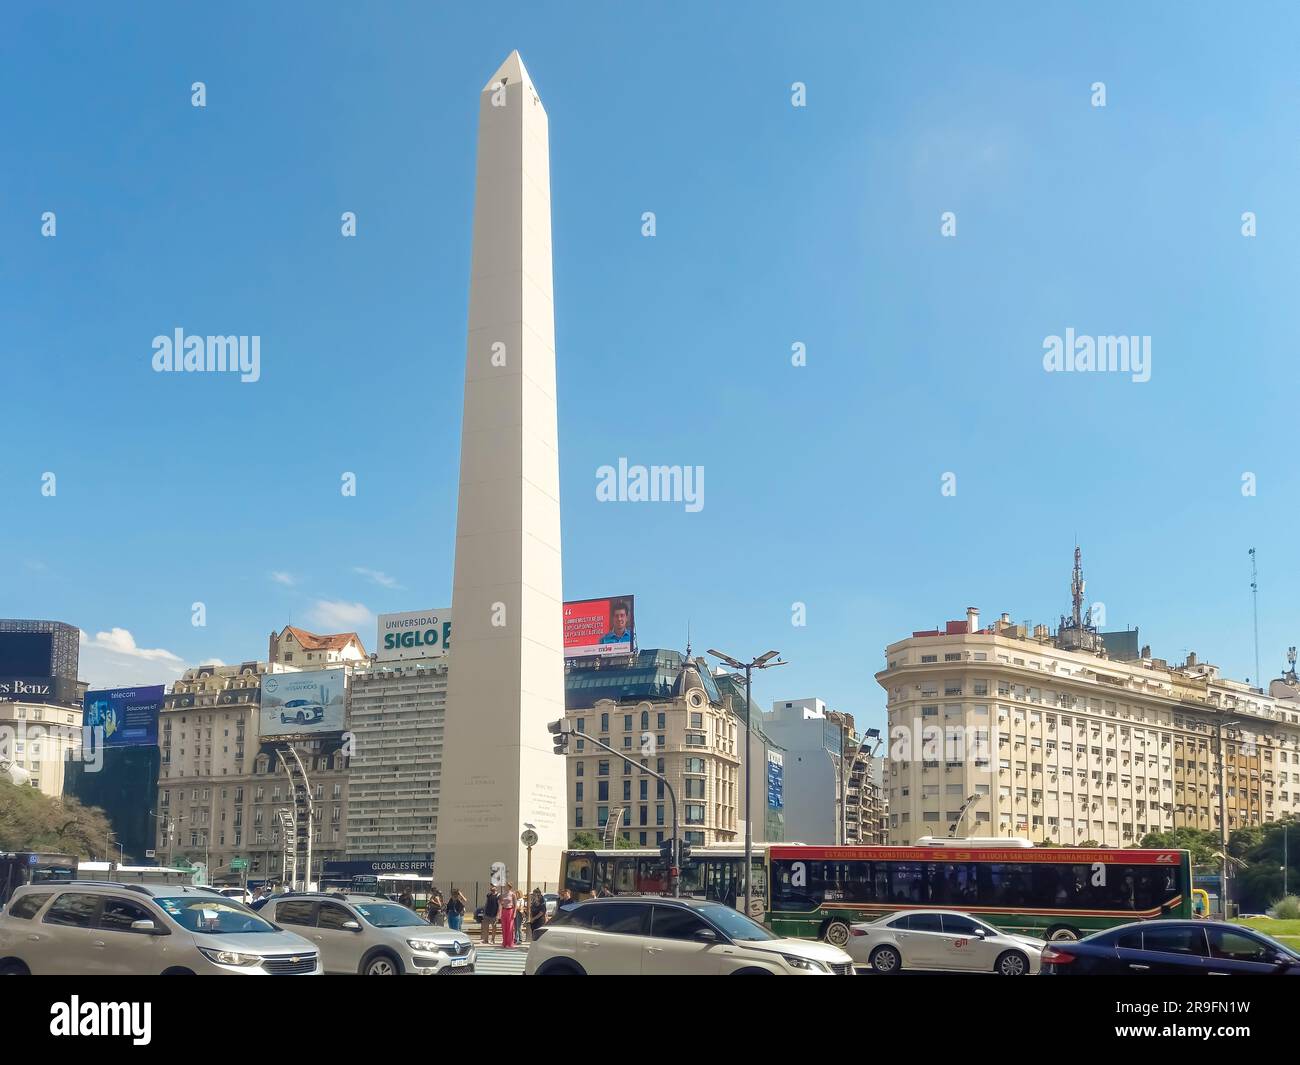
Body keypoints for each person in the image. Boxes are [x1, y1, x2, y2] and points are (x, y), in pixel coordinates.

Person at [500, 883, 518, 948]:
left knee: (510, 927)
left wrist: (515, 913)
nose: (505, 887)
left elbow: (515, 904)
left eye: (507, 886)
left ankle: (510, 943)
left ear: (509, 887)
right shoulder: (503, 894)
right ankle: (504, 942)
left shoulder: (513, 894)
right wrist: (500, 913)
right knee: (504, 927)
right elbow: (501, 903)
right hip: (504, 910)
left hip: (510, 910)